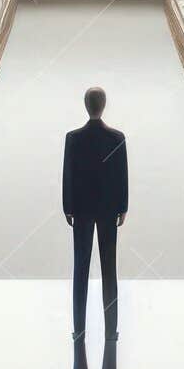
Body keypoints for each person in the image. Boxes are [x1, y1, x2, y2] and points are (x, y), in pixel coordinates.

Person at [62, 86, 127, 341]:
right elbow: (122, 176)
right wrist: (123, 207)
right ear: (104, 105)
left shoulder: (73, 138)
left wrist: (68, 207)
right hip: (109, 208)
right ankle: (111, 330)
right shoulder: (117, 137)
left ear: (86, 105)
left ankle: (79, 329)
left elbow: (68, 176)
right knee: (109, 270)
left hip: (82, 209)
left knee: (81, 269)